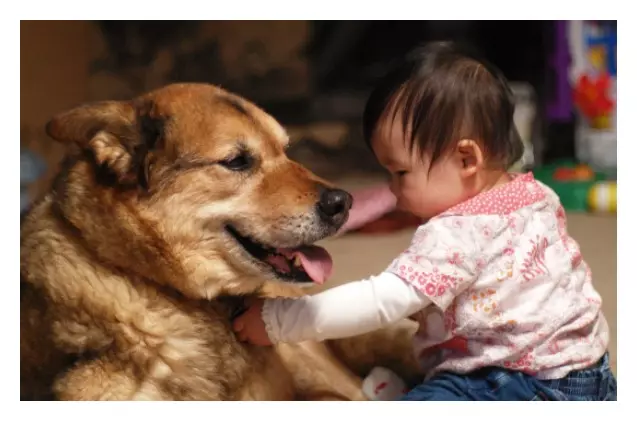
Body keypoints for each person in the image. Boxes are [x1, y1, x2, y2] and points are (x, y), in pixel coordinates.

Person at [233, 41, 617, 401]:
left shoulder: (456, 234)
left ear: (467, 160)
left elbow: (379, 302)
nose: (392, 187)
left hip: (512, 382)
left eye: (401, 172)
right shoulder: (534, 196)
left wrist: (279, 320)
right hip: (589, 372)